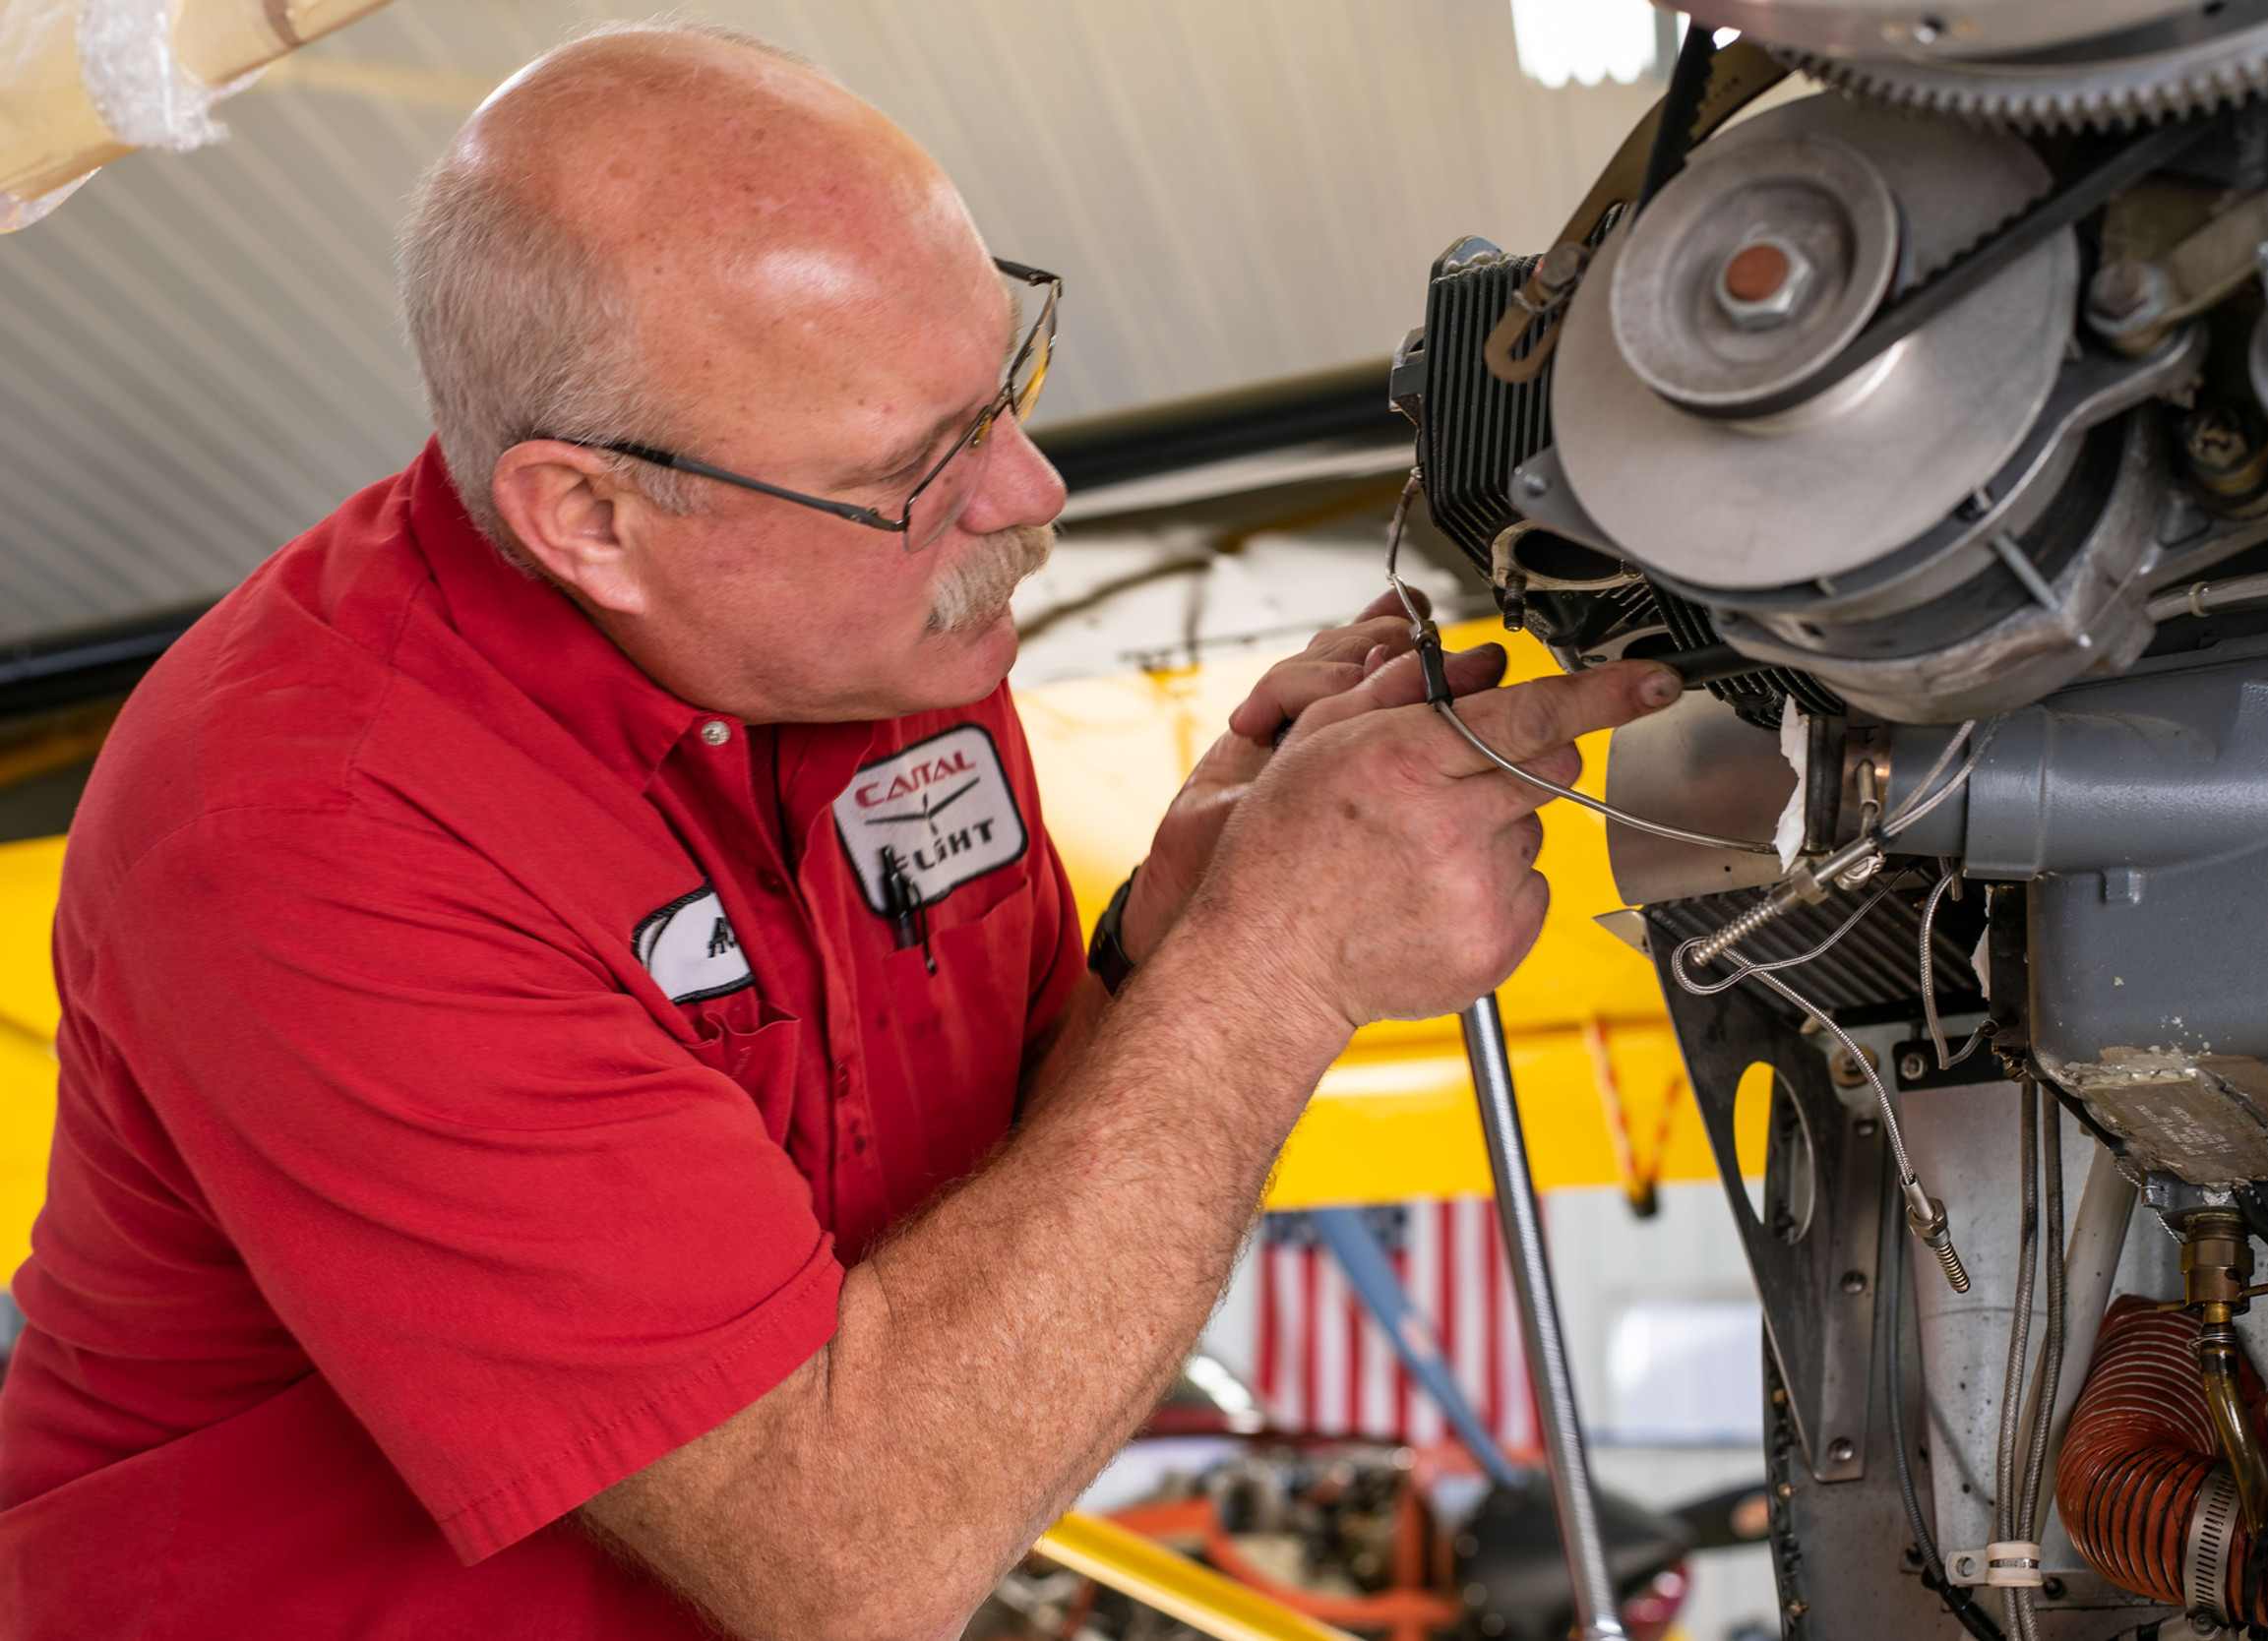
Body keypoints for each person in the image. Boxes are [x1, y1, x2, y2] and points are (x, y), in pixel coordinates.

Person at [0, 23, 1678, 1639]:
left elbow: (1003, 1234)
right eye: (917, 467)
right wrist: (1277, 971)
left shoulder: (870, 639)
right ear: (589, 515)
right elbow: (853, 1562)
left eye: (1005, 383)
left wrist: (1178, 937)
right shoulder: (309, 834)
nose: (1031, 497)